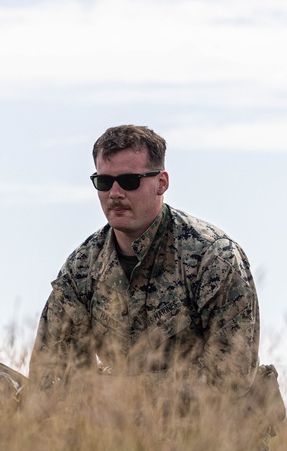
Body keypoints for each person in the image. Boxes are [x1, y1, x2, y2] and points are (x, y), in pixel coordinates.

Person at [28, 125, 260, 396]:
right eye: (104, 182)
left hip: (210, 432)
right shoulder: (82, 268)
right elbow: (50, 373)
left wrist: (118, 391)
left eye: (129, 181)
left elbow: (232, 376)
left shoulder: (213, 257)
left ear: (161, 182)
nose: (114, 193)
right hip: (113, 431)